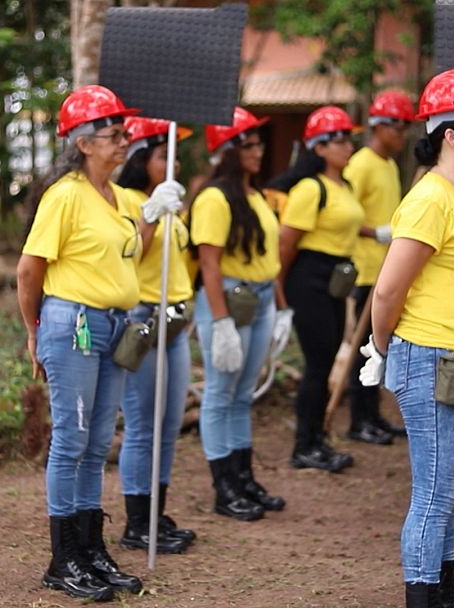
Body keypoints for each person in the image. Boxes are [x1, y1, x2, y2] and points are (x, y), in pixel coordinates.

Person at [18, 85, 181, 601]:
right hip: (74, 325)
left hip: (111, 325)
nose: (124, 142)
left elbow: (130, 253)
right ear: (84, 143)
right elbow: (29, 269)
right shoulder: (65, 194)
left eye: (124, 134)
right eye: (114, 135)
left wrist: (151, 217)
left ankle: (89, 549)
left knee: (95, 445)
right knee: (72, 440)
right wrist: (34, 330)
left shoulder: (110, 197)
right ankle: (63, 557)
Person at [359, 68, 454, 607]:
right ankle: (423, 598)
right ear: (451, 134)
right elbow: (388, 289)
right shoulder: (431, 199)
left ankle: (440, 594)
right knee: (436, 492)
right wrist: (380, 348)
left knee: (452, 487)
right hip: (435, 358)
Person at [190, 106, 287, 522]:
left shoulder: (255, 194)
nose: (258, 151)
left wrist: (281, 307)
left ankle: (243, 477)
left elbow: (270, 256)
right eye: (248, 144)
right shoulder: (214, 198)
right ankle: (224, 486)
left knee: (243, 393)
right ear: (228, 150)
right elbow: (209, 263)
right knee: (220, 392)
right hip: (230, 299)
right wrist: (221, 321)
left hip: (261, 298)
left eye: (259, 143)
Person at [114, 116, 197, 554]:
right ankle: (136, 522)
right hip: (143, 318)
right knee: (143, 424)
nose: (173, 165)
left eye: (174, 156)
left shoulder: (173, 200)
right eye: (164, 155)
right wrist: (148, 215)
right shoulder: (125, 199)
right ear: (141, 158)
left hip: (177, 319)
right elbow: (129, 258)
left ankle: (156, 513)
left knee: (169, 424)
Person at [275, 105, 364, 473]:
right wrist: (280, 295)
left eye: (349, 139)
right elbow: (286, 243)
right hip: (308, 277)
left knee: (326, 360)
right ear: (319, 147)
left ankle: (319, 439)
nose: (347, 146)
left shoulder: (344, 185)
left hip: (336, 278)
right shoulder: (310, 189)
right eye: (338, 140)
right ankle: (304, 446)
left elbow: (347, 226)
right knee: (318, 363)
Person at [342, 90, 415, 445]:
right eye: (398, 128)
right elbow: (344, 215)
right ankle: (359, 420)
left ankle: (374, 415)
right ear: (381, 126)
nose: (402, 136)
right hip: (365, 268)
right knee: (363, 349)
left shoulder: (387, 165)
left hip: (386, 269)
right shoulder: (361, 164)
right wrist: (377, 232)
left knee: (381, 346)